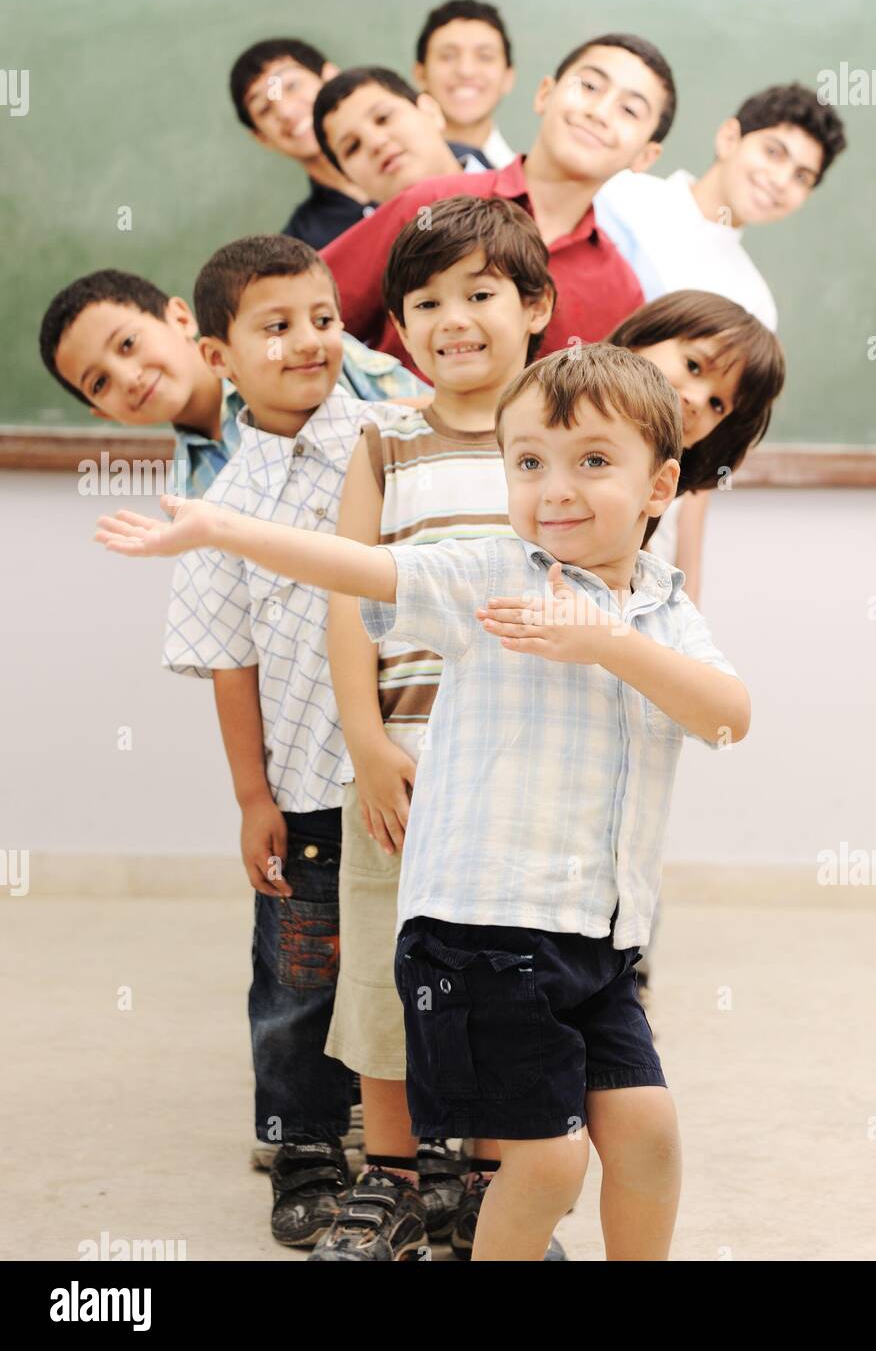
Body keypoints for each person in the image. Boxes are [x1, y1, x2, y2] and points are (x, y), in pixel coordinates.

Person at [95, 343, 751, 1261]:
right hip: (484, 932)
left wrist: (605, 642)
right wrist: (223, 531)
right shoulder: (487, 575)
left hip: (599, 938)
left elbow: (728, 719)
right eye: (529, 463)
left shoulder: (663, 610)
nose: (555, 488)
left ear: (660, 485)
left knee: (647, 1137)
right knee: (548, 1167)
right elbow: (361, 568)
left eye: (592, 461)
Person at [313, 194, 556, 1261]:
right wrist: (366, 744)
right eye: (424, 301)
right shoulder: (384, 442)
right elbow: (343, 599)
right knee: (379, 963)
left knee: (513, 980)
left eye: (480, 293)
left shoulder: (558, 442)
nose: (452, 317)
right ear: (398, 329)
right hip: (403, 764)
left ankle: (500, 1185)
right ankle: (396, 1175)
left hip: (522, 768)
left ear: (536, 305)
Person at [154, 234, 391, 1246]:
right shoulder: (223, 503)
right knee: (302, 972)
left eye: (323, 318)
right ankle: (300, 1143)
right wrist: (253, 795)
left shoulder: (394, 439)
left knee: (411, 959)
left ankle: (415, 1143)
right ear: (218, 356)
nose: (307, 342)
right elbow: (228, 659)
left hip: (409, 765)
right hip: (303, 782)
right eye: (276, 326)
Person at [322, 33, 679, 375]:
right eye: (587, 86)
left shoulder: (622, 293)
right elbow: (307, 309)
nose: (599, 112)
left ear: (646, 156)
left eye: (629, 110)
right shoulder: (429, 203)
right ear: (544, 94)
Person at [39, 268, 420, 497]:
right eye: (100, 383)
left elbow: (440, 421)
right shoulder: (186, 496)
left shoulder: (306, 356)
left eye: (127, 344)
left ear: (180, 318)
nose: (129, 378)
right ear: (102, 413)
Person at [595, 83, 848, 329]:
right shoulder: (613, 192)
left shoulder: (752, 309)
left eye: (801, 177)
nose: (781, 181)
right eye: (773, 152)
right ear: (729, 138)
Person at [609, 289, 785, 603]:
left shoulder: (661, 502)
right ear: (642, 338)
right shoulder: (542, 424)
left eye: (718, 404)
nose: (698, 400)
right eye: (693, 366)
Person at [228, 38, 375, 250]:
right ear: (261, 137)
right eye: (264, 108)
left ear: (330, 76)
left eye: (292, 86)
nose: (285, 112)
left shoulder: (425, 161)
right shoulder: (301, 249)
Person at [312, 67, 489, 208]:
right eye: (352, 147)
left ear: (430, 111)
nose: (376, 143)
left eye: (383, 118)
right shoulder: (368, 253)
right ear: (349, 179)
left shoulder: (515, 189)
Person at [411, 0, 518, 169]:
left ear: (508, 77)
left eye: (485, 56)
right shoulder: (385, 177)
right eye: (448, 56)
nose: (465, 71)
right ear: (420, 74)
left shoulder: (524, 185)